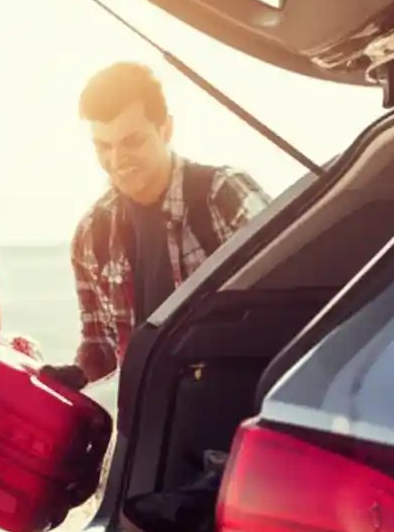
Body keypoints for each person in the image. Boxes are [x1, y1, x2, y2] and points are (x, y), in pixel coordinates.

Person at [42, 62, 272, 389]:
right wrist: (75, 377)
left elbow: (287, 304)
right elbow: (99, 346)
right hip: (148, 425)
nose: (117, 159)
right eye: (104, 146)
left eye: (131, 141)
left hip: (233, 408)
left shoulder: (224, 195)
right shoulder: (91, 233)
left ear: (166, 129)